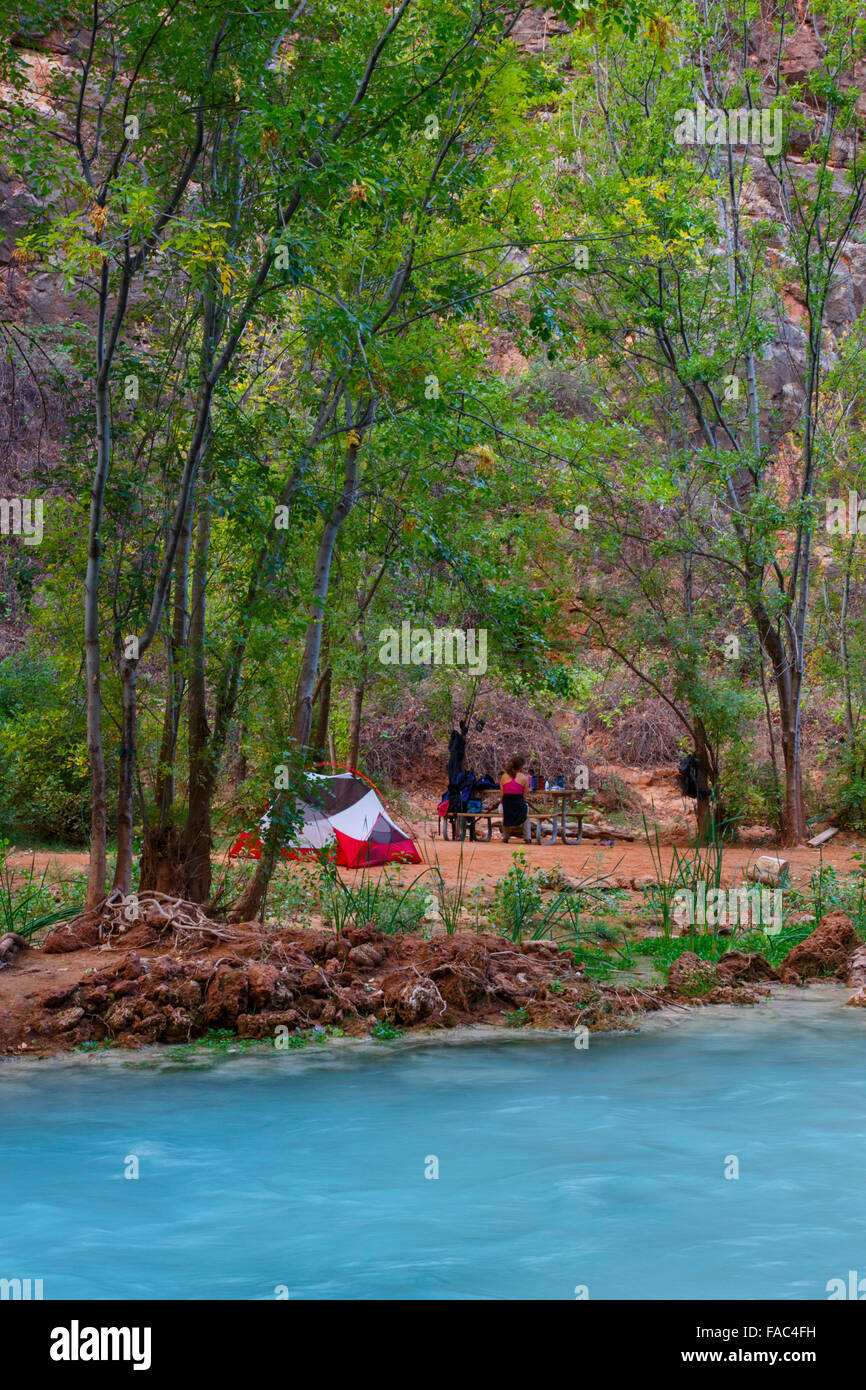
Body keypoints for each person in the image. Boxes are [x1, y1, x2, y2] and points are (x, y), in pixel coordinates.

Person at [500, 754, 531, 844]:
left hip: (506, 807)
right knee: (526, 813)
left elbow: (502, 794)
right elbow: (524, 797)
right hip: (518, 807)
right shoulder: (524, 778)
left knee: (505, 811)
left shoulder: (503, 777)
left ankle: (505, 837)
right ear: (521, 767)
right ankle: (527, 837)